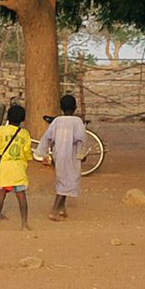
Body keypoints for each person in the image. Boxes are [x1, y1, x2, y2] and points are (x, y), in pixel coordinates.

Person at [35, 94, 88, 222]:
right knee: (69, 181)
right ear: (75, 107)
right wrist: (82, 154)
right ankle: (54, 210)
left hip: (58, 155)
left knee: (62, 180)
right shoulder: (77, 122)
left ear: (61, 107)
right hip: (71, 155)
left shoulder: (57, 121)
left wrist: (44, 153)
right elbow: (82, 139)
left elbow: (47, 137)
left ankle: (62, 209)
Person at [0, 102, 34, 230]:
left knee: (0, 195)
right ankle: (24, 223)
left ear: (7, 117)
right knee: (21, 195)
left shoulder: (2, 130)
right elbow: (27, 153)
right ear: (23, 119)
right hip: (19, 169)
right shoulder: (24, 134)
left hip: (5, 169)